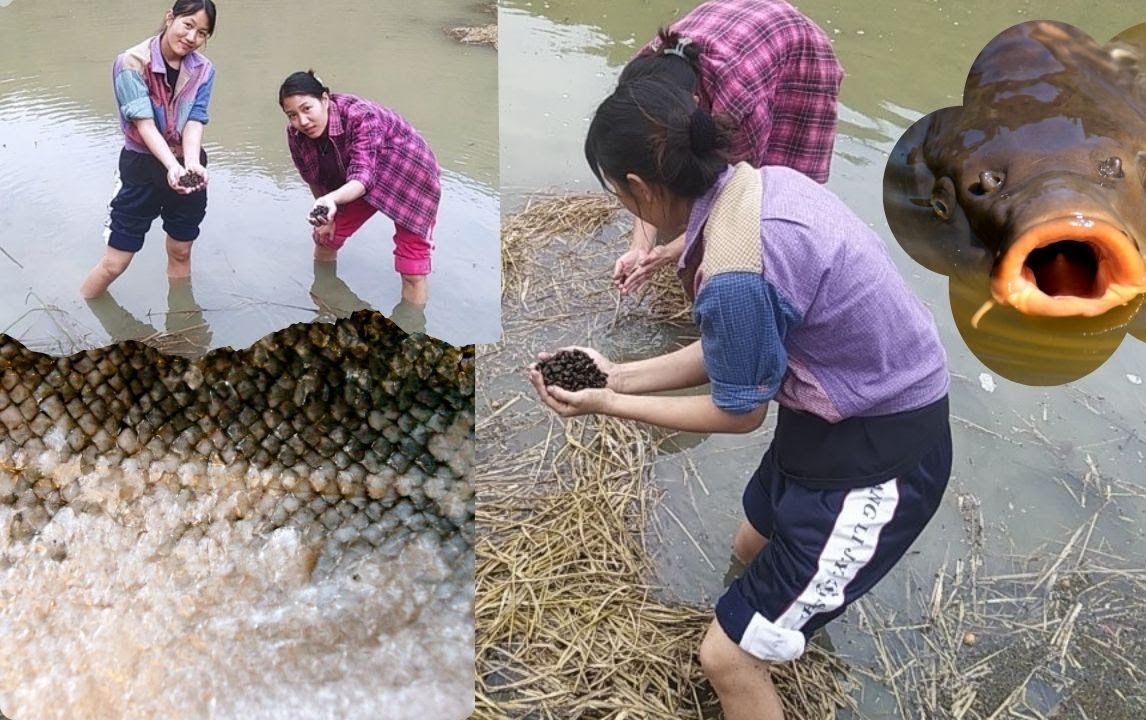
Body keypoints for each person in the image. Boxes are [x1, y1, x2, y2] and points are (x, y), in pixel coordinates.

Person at [530, 79, 952, 719]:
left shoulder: (735, 270)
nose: (623, 204)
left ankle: (750, 652)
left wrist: (607, 406)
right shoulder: (759, 185)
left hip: (883, 455)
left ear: (641, 188)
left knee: (724, 659)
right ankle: (774, 626)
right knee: (753, 544)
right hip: (836, 407)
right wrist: (615, 374)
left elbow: (739, 410)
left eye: (619, 193)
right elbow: (741, 351)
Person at [609, 0, 844, 294]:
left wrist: (670, 252)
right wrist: (640, 248)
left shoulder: (735, 107)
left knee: (776, 196)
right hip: (732, 28)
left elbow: (740, 194)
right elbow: (644, 171)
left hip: (797, 49)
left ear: (694, 105)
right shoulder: (640, 77)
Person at [81, 0, 218, 299]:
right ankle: (78, 310)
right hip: (141, 166)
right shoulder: (131, 62)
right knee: (116, 263)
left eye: (202, 33)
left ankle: (182, 322)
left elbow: (195, 118)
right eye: (188, 25)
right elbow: (144, 124)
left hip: (186, 161)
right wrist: (172, 166)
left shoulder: (204, 69)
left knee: (181, 252)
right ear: (170, 17)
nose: (192, 37)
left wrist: (191, 163)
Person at [280, 71, 442, 307]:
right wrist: (327, 212)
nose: (302, 121)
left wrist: (333, 199)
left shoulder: (360, 115)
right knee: (325, 236)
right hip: (357, 182)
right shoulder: (296, 134)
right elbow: (313, 177)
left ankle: (412, 332)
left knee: (412, 270)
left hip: (408, 177)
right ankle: (327, 300)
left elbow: (364, 175)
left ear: (324, 99)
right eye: (292, 115)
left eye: (307, 109)